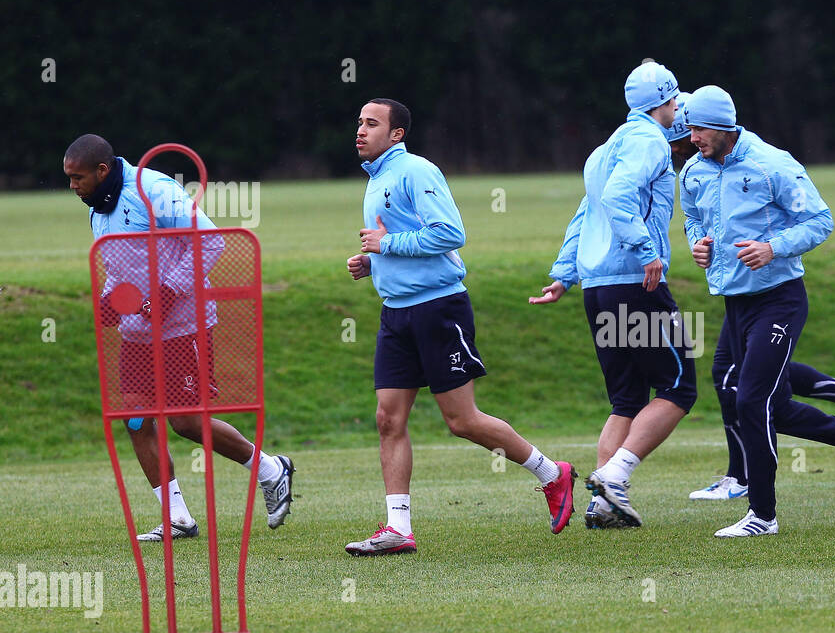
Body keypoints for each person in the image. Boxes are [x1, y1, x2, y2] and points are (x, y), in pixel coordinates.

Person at [345, 98, 577, 553]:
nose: (361, 131)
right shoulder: (376, 181)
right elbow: (405, 242)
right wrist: (374, 263)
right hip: (396, 314)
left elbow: (450, 234)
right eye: (359, 123)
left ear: (397, 135)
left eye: (372, 124)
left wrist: (386, 243)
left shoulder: (416, 171)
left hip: (438, 309)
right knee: (387, 419)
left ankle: (554, 474)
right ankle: (398, 529)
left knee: (462, 421)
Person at [679, 85, 835, 538]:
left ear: (721, 126)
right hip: (735, 303)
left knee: (752, 400)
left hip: (780, 298)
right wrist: (697, 243)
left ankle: (763, 515)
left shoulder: (772, 164)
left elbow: (820, 221)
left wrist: (773, 248)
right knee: (765, 401)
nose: (690, 137)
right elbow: (693, 218)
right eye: (688, 128)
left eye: (697, 128)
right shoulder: (693, 171)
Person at [66, 133, 295, 542]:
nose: (72, 186)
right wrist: (108, 302)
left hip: (184, 327)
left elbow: (210, 241)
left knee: (187, 423)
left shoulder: (154, 189)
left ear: (102, 171)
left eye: (78, 177)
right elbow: (118, 272)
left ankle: (271, 470)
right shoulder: (97, 211)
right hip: (137, 336)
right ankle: (178, 519)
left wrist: (167, 293)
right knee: (136, 421)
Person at [529, 62, 697, 530]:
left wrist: (564, 274)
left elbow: (585, 215)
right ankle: (614, 478)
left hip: (599, 288)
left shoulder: (605, 149)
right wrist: (647, 251)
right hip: (634, 284)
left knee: (626, 399)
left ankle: (603, 506)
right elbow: (620, 198)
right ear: (667, 100)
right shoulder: (649, 142)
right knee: (678, 388)